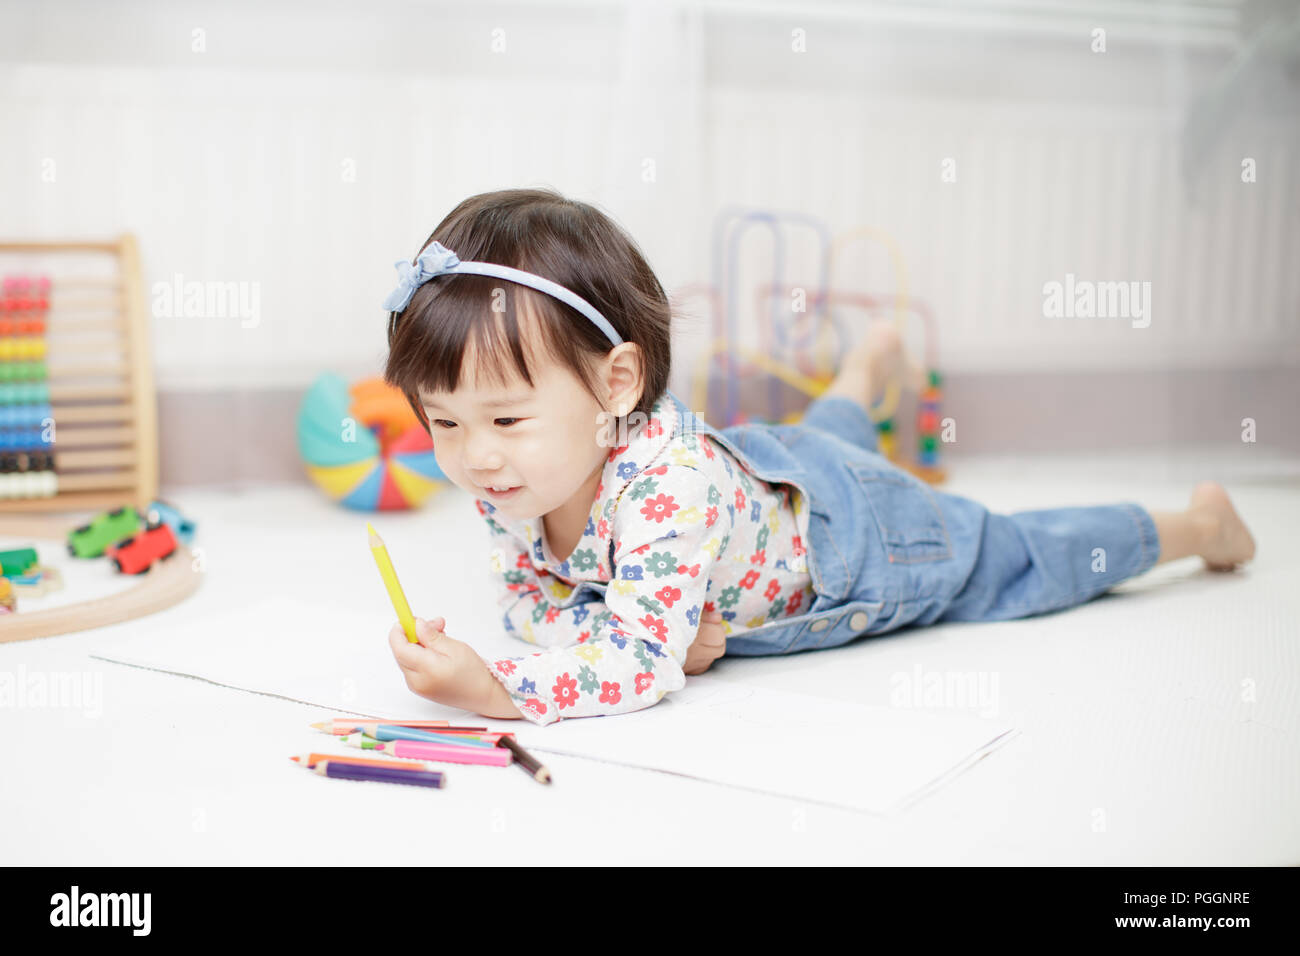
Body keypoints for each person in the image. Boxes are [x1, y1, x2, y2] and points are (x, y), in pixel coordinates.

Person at [381, 187, 1256, 727]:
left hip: (858, 547)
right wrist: (636, 628)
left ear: (615, 384)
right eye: (444, 424)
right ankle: (865, 371)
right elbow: (533, 601)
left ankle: (1195, 525)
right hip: (772, 476)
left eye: (502, 419)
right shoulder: (515, 469)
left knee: (1018, 558)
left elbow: (631, 666)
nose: (473, 459)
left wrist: (500, 688)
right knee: (823, 446)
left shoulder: (663, 490)